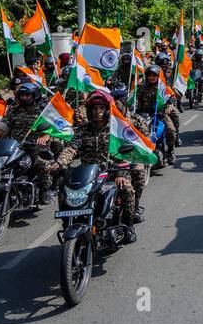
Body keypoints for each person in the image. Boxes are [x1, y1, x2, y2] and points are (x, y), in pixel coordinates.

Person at [50, 90, 138, 243]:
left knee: (127, 189)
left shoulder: (116, 129)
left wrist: (121, 174)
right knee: (64, 190)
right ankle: (68, 225)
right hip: (89, 175)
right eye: (94, 109)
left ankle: (128, 226)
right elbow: (71, 148)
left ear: (107, 109)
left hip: (112, 173)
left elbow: (125, 153)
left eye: (101, 108)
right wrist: (59, 163)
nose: (97, 112)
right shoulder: (84, 130)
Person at [0, 81, 54, 203]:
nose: (24, 98)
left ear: (35, 95)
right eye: (21, 95)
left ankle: (45, 189)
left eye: (27, 95)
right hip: (15, 145)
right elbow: (5, 123)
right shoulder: (14, 107)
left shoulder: (44, 107)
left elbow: (53, 124)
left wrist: (46, 135)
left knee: (43, 162)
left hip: (36, 144)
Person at [133, 64, 178, 164]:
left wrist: (169, 105)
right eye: (150, 75)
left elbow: (171, 98)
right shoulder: (141, 87)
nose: (152, 77)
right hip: (143, 115)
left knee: (171, 131)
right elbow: (134, 99)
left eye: (154, 75)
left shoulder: (163, 87)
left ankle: (171, 152)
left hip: (160, 114)